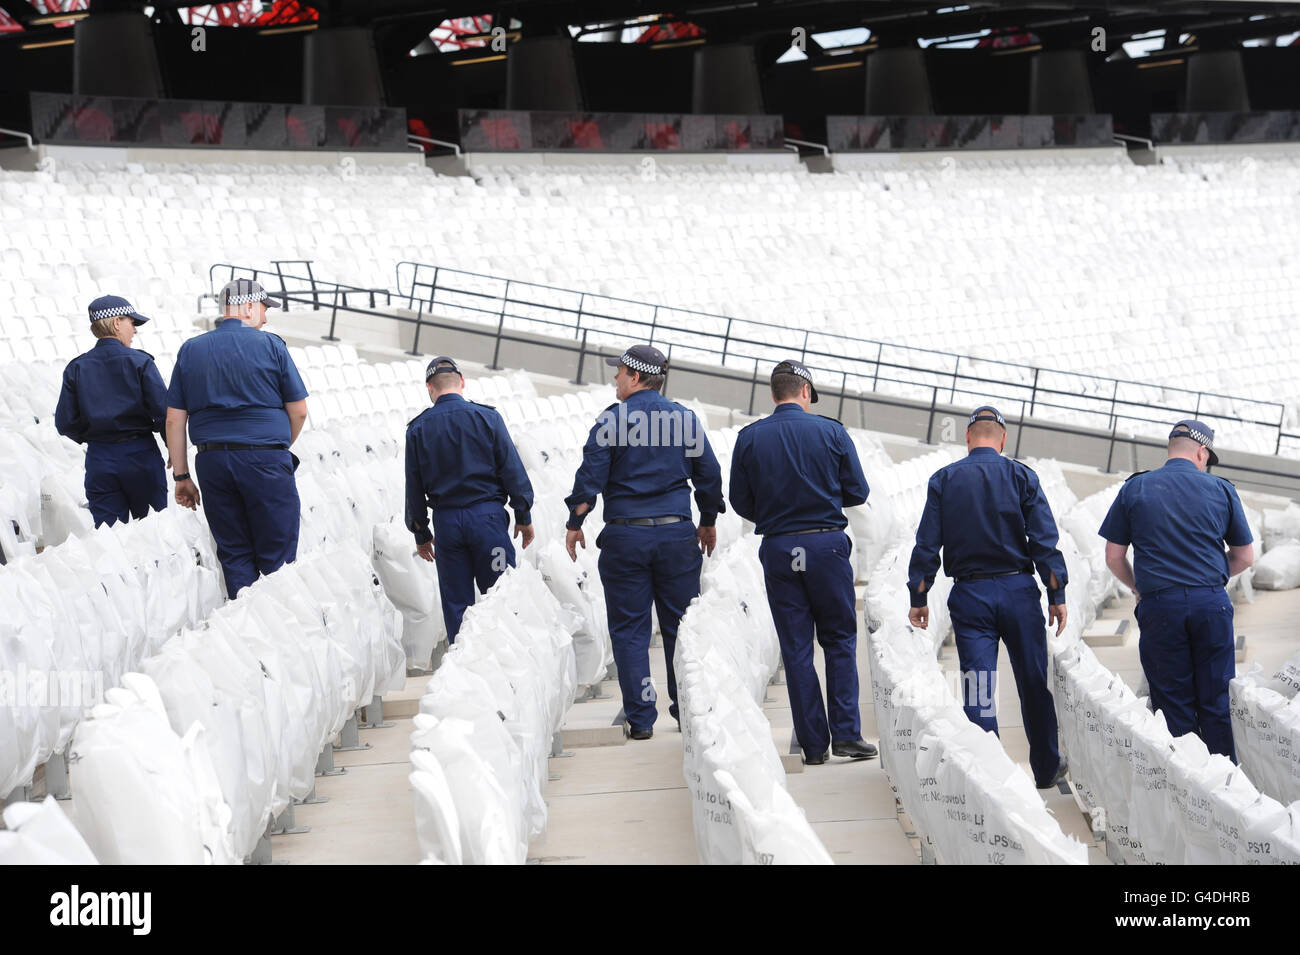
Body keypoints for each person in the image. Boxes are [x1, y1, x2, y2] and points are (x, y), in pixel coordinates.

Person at [565, 344, 724, 740]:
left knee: (631, 629)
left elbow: (590, 479)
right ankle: (685, 711)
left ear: (635, 377)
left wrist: (576, 521)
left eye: (619, 372)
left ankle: (641, 718)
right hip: (676, 535)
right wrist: (707, 522)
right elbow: (709, 476)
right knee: (680, 628)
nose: (614, 379)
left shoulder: (611, 420)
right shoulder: (686, 420)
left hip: (626, 536)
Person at [907, 405, 1069, 789]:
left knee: (978, 685)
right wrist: (1056, 593)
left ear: (967, 438)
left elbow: (927, 543)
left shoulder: (944, 480)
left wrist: (919, 594)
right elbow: (1044, 540)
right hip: (1018, 592)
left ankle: (992, 777)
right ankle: (1045, 768)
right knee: (1032, 682)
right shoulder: (1021, 476)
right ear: (1003, 439)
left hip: (970, 594)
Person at [728, 359, 876, 765]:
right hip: (825, 545)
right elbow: (858, 491)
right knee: (840, 641)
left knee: (796, 649)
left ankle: (813, 745)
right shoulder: (831, 431)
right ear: (806, 392)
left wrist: (777, 513)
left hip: (778, 546)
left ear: (774, 393)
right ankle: (847, 733)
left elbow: (740, 501)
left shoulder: (750, 437)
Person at [1098, 419, 1254, 760]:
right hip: (1210, 603)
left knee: (1172, 703)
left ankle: (1188, 791)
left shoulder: (1135, 488)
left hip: (1160, 605)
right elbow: (1244, 556)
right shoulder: (1221, 490)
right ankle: (1224, 784)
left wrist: (1140, 586)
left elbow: (1113, 556)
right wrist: (1209, 575)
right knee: (1216, 702)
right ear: (1202, 452)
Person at [165, 279, 308, 598]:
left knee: (234, 552)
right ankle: (277, 629)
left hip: (213, 461)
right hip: (266, 459)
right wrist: (279, 445)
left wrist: (182, 476)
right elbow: (298, 411)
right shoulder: (271, 345)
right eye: (262, 309)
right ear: (247, 307)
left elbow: (174, 418)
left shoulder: (191, 349)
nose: (266, 318)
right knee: (278, 558)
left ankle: (246, 634)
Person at [405, 356, 535, 642]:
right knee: (501, 597)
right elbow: (512, 469)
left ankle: (465, 677)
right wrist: (523, 515)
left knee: (457, 608)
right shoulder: (488, 418)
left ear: (429, 388)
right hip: (487, 520)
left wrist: (421, 532)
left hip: (448, 525)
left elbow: (413, 486)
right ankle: (507, 667)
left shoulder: (417, 429)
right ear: (462, 382)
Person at [54, 295, 168, 528]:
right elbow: (164, 413)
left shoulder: (77, 367)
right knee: (153, 533)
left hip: (100, 458)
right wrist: (168, 444)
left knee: (110, 538)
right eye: (132, 323)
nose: (134, 330)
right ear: (117, 323)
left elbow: (65, 422)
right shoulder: (140, 362)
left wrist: (92, 435)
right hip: (140, 454)